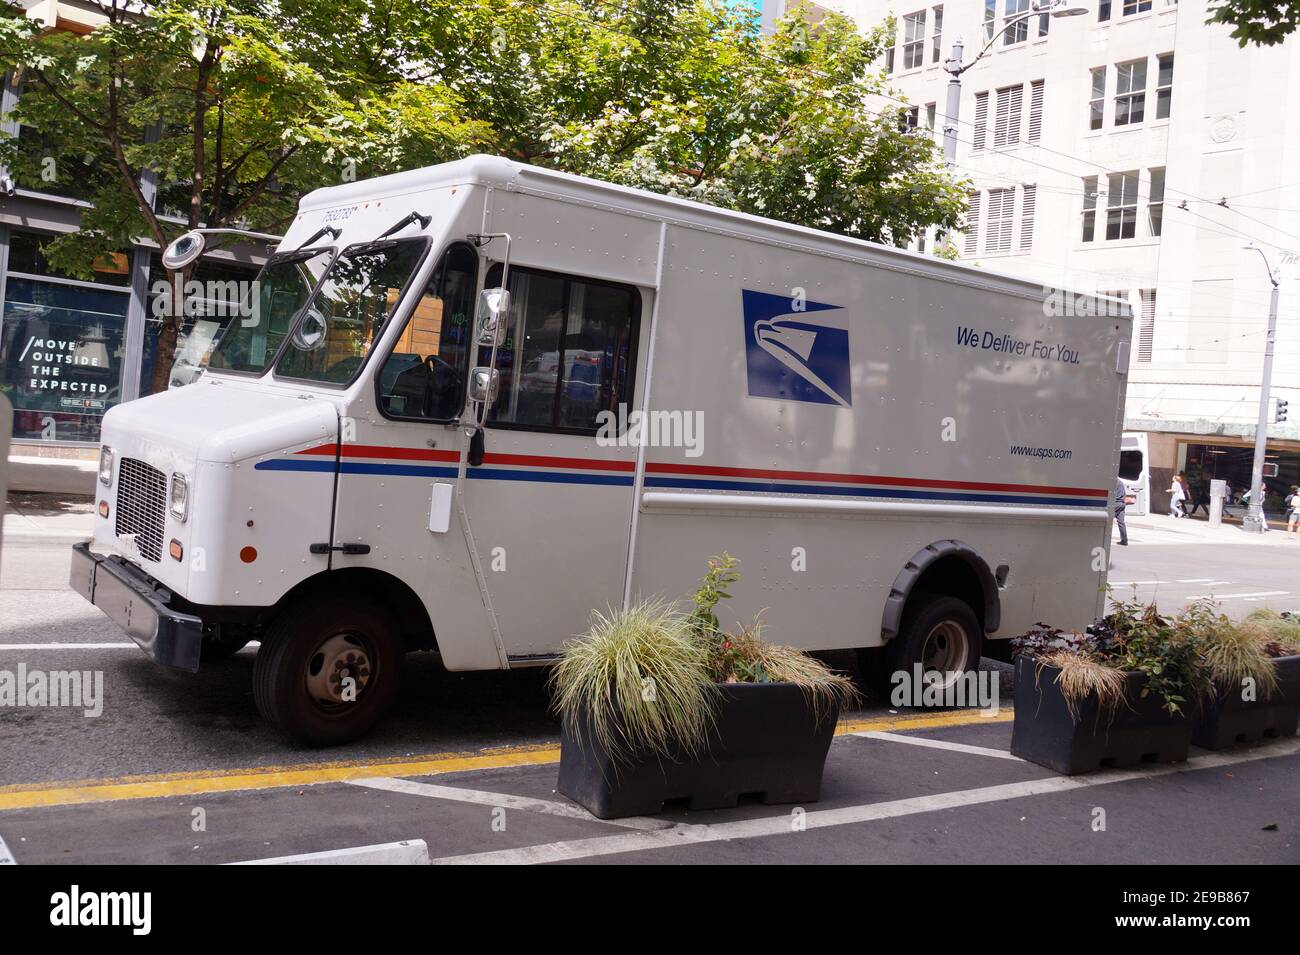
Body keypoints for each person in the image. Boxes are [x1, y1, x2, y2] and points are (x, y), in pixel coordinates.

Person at [1114, 477, 1130, 545]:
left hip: (1116, 503)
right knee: (1121, 523)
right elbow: (1124, 494)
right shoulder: (1120, 482)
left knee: (1107, 520)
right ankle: (1124, 540)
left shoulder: (1113, 482)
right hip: (1122, 504)